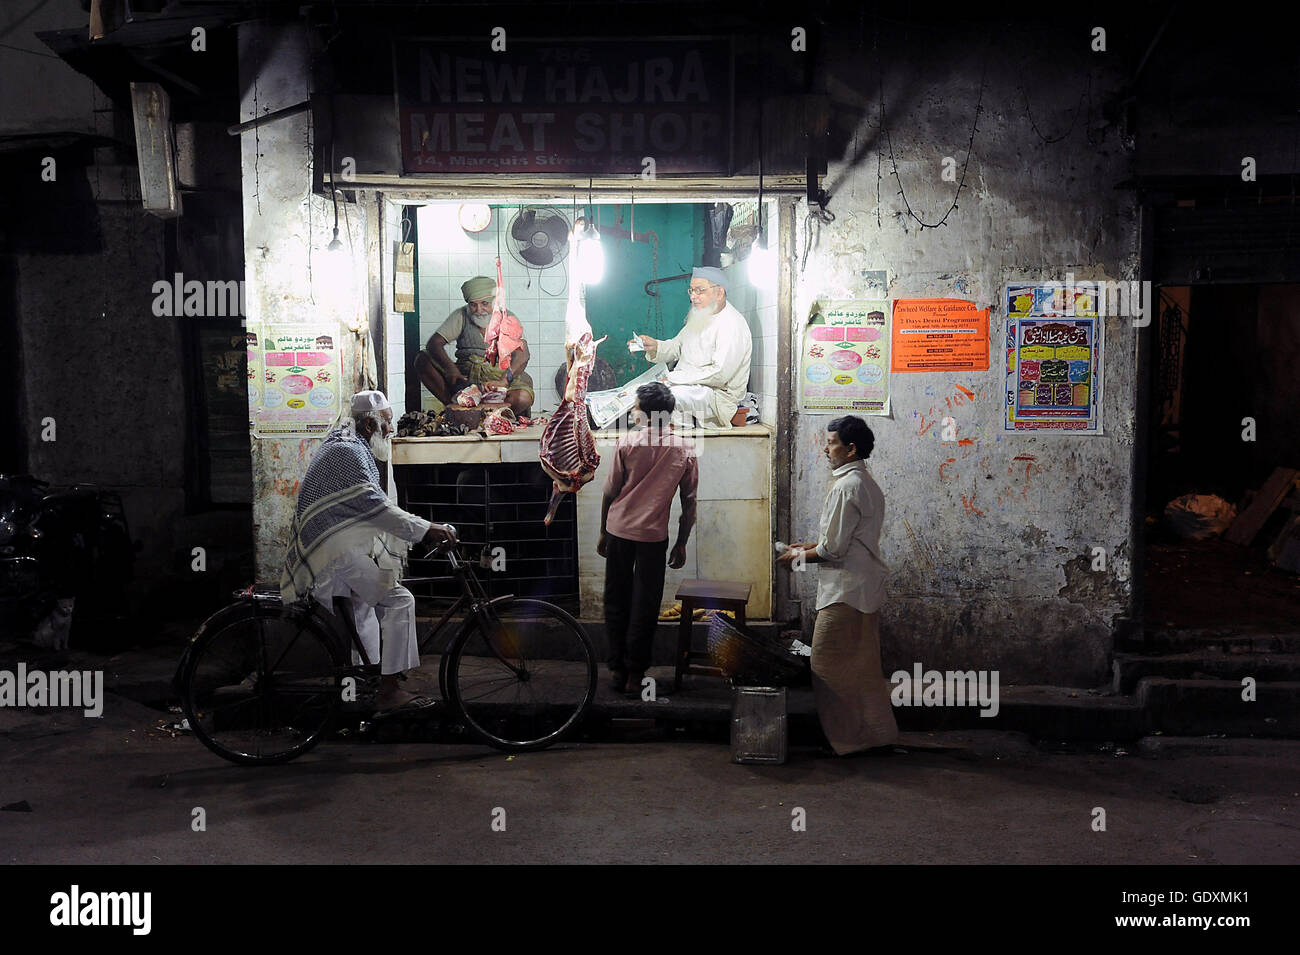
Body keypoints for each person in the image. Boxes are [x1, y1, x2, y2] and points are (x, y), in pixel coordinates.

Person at [280, 390, 458, 714]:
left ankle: (371, 680)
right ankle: (389, 692)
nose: (391, 429)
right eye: (387, 422)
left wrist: (418, 528)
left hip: (336, 545)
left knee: (365, 608)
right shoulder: (348, 453)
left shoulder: (349, 444)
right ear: (368, 424)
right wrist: (426, 529)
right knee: (400, 600)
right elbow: (375, 507)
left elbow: (371, 505)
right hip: (332, 551)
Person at [777, 415, 900, 755]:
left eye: (830, 443)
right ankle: (876, 736)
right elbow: (841, 540)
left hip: (846, 591)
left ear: (850, 449)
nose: (825, 449)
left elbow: (833, 548)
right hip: (861, 587)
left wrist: (795, 558)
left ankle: (850, 740)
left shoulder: (847, 486)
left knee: (827, 665)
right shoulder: (863, 481)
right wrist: (805, 547)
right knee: (862, 668)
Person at [597, 382, 698, 694]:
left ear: (648, 413)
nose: (633, 412)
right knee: (646, 604)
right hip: (654, 536)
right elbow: (689, 503)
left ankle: (617, 669)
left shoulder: (627, 443)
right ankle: (635, 673)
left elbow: (610, 492)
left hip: (619, 531)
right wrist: (682, 542)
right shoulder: (684, 448)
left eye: (636, 407)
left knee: (616, 599)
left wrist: (603, 531)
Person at [629, 266, 752, 429]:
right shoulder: (701, 314)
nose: (693, 296)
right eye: (691, 290)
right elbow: (676, 347)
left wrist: (675, 379)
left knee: (665, 398)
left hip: (715, 395)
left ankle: (677, 441)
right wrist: (654, 346)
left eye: (700, 291)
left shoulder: (732, 324)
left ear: (719, 292)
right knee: (640, 391)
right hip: (688, 384)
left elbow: (720, 374)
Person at [415, 275, 535, 417]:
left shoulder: (507, 318)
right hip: (466, 378)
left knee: (523, 398)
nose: (479, 310)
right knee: (422, 359)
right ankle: (456, 410)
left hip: (497, 379)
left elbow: (523, 354)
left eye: (485, 303)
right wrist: (451, 369)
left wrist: (503, 381)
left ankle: (493, 419)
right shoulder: (461, 315)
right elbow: (434, 344)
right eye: (473, 304)